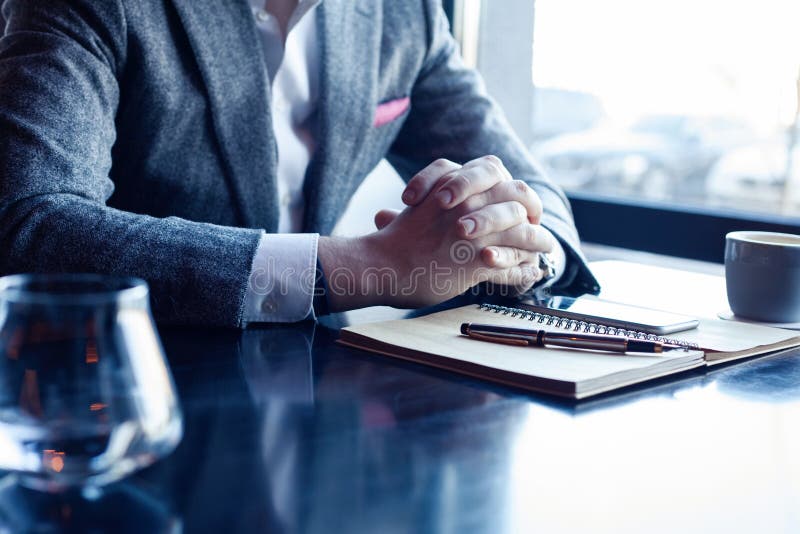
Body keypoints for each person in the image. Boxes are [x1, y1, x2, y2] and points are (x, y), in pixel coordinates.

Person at [0, 0, 599, 327]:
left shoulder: (404, 13)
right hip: (121, 390)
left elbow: (536, 196)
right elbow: (30, 221)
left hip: (323, 402)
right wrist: (365, 266)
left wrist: (507, 247)